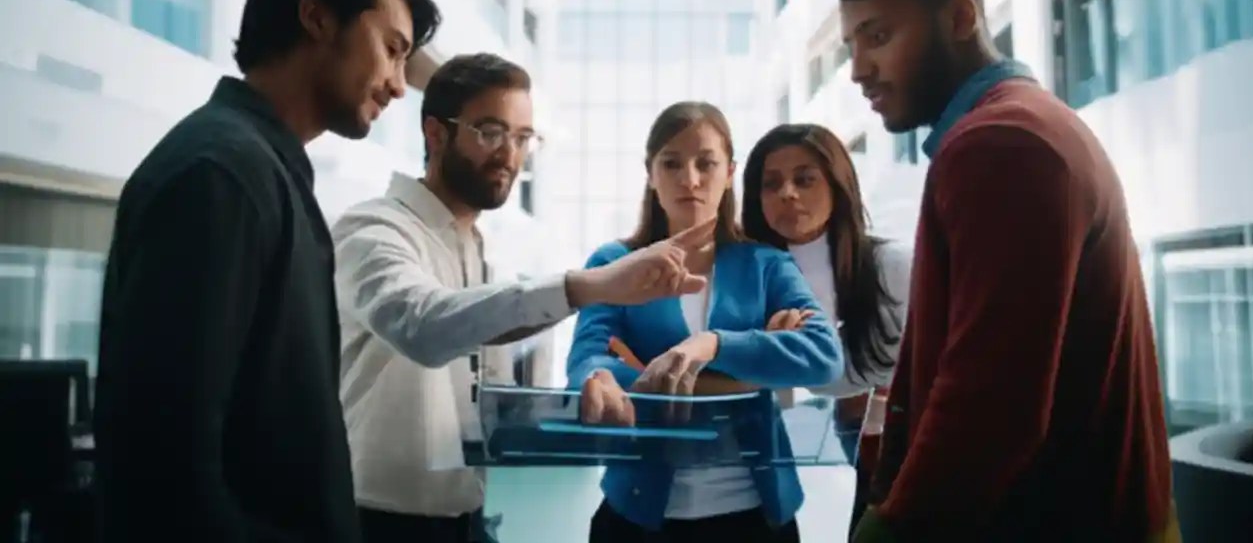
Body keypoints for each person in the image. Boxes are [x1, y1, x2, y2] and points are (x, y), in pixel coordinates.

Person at [93, 0, 439, 541]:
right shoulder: (222, 176)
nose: (398, 84)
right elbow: (170, 468)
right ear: (316, 18)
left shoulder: (258, 171)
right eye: (391, 49)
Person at [837, 0, 1178, 542]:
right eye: (850, 46)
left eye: (878, 37)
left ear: (961, 17)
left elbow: (991, 408)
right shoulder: (1026, 125)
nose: (859, 70)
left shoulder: (1003, 144)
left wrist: (890, 529)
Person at [331, 54, 716, 543]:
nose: (510, 154)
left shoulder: (477, 250)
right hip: (372, 521)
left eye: (522, 137)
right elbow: (423, 326)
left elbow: (492, 403)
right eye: (490, 131)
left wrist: (591, 394)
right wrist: (589, 285)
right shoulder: (373, 228)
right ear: (435, 134)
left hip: (466, 519)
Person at [567, 101, 845, 543]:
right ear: (650, 172)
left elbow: (824, 357)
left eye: (706, 163)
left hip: (756, 518)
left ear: (730, 172)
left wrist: (710, 346)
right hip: (637, 518)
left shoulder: (766, 265)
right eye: (671, 163)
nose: (690, 179)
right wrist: (757, 368)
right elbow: (588, 366)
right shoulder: (614, 263)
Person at [741, 122, 911, 536]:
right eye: (771, 184)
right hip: (785, 461)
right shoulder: (745, 278)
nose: (788, 194)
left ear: (837, 184)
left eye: (805, 179)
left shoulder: (894, 266)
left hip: (898, 453)